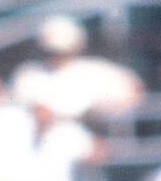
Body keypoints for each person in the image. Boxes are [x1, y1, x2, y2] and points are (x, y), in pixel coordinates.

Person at [10, 16, 143, 124]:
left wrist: (97, 113)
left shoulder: (93, 70)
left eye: (61, 51)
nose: (56, 56)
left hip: (86, 138)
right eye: (51, 51)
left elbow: (135, 90)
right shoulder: (29, 73)